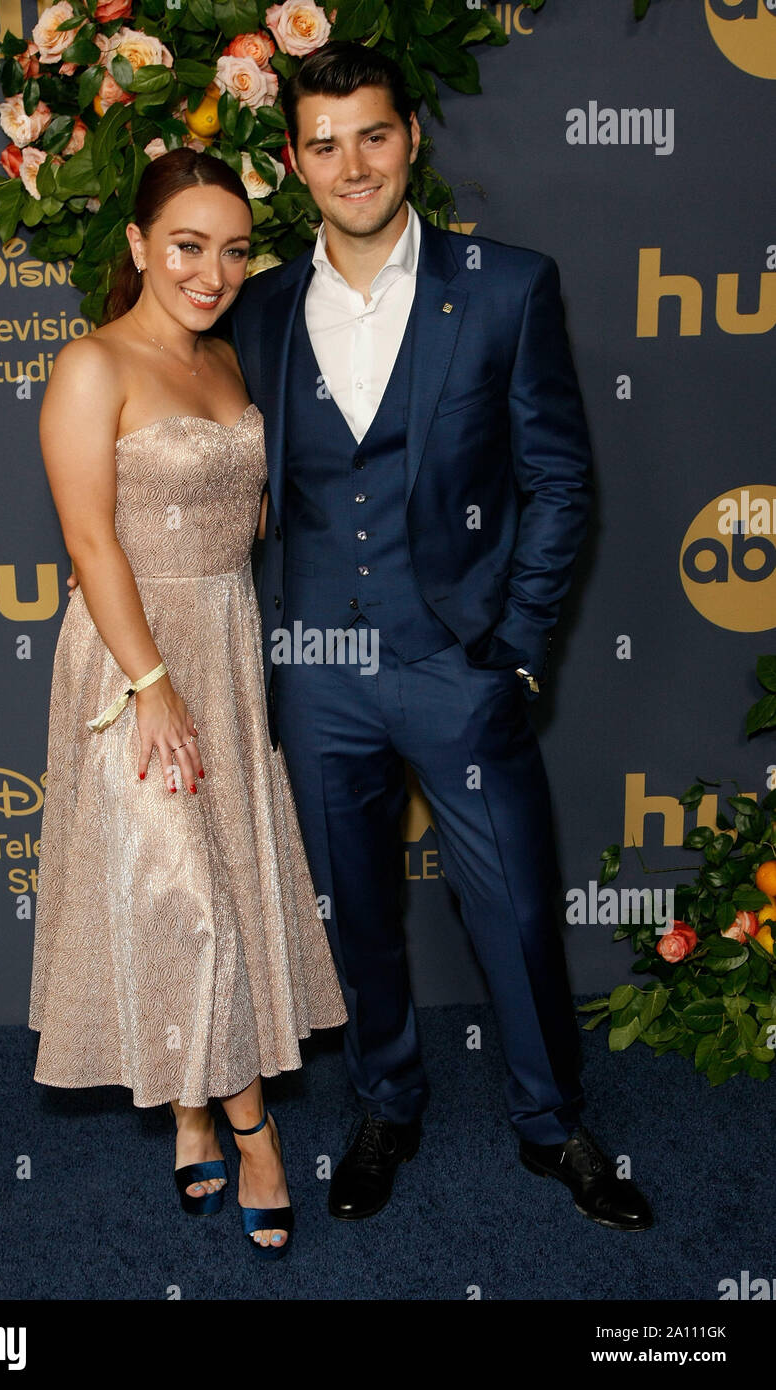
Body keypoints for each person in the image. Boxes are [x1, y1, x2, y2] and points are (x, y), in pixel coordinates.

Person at [228, 41, 654, 1231]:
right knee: (352, 908)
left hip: (455, 661)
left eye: (372, 133)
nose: (351, 163)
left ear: (411, 136)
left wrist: (515, 644)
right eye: (324, 143)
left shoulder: (506, 285)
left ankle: (551, 1123)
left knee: (512, 908)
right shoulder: (258, 313)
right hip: (317, 674)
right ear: (294, 161)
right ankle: (385, 1102)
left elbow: (558, 479)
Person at [28, 147, 348, 1261]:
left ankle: (193, 1108)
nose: (211, 272)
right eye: (185, 246)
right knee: (184, 893)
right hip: (134, 659)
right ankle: (254, 1132)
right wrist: (151, 684)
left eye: (232, 249)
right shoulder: (91, 366)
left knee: (217, 874)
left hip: (224, 637)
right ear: (135, 246)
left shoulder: (228, 361)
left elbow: (244, 508)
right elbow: (86, 538)